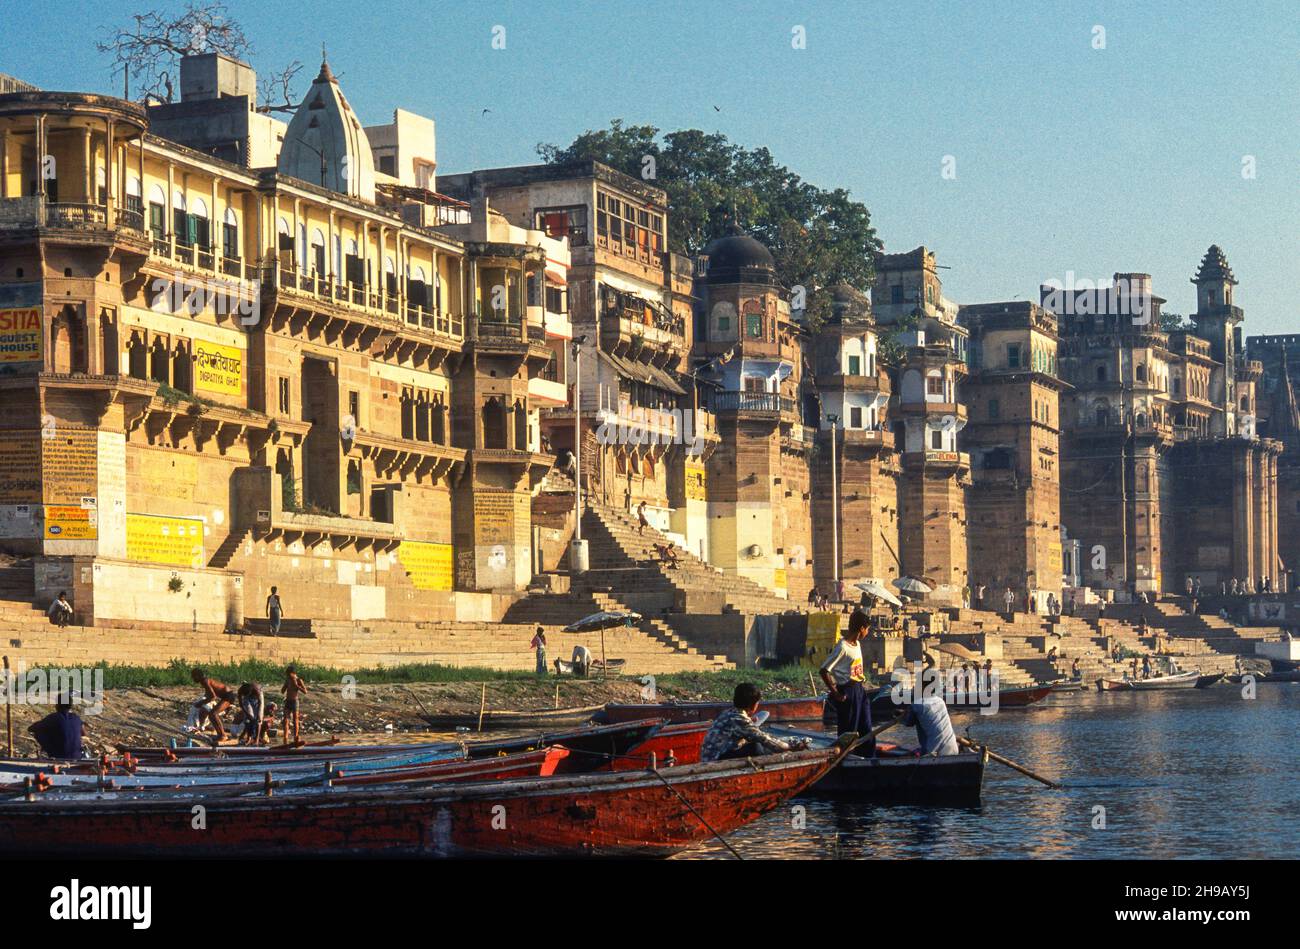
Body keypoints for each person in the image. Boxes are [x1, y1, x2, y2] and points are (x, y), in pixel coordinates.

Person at [700, 683, 808, 762]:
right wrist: (790, 747)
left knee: (756, 743)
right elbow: (763, 738)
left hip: (712, 756)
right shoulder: (738, 719)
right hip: (715, 761)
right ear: (753, 705)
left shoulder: (729, 713)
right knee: (756, 747)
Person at [819, 609, 873, 753]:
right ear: (861, 628)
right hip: (848, 692)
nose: (867, 632)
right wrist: (835, 693)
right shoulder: (842, 647)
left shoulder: (857, 644)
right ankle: (845, 756)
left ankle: (868, 756)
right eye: (867, 629)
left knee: (866, 728)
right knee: (848, 730)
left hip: (859, 691)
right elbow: (824, 670)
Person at [901, 674, 959, 756]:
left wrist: (902, 715)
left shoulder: (916, 705)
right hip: (954, 750)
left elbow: (908, 723)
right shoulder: (940, 701)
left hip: (933, 754)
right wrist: (907, 712)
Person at [28, 695, 85, 759]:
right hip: (77, 757)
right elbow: (83, 733)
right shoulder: (76, 718)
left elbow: (31, 728)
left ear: (58, 705)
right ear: (70, 706)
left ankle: (50, 754)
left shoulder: (54, 717)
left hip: (59, 756)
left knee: (39, 732)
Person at [191, 668, 238, 742]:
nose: (193, 678)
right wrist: (201, 702)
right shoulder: (205, 681)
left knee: (213, 714)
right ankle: (219, 734)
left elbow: (213, 697)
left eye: (193, 676)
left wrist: (201, 703)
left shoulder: (205, 681)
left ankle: (222, 735)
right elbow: (208, 694)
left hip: (228, 696)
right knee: (211, 714)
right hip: (226, 696)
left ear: (197, 676)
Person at [281, 664, 309, 745]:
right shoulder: (288, 680)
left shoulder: (299, 680)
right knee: (286, 720)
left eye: (288, 674)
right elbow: (282, 691)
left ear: (293, 673)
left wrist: (297, 686)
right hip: (288, 701)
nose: (288, 676)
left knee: (295, 720)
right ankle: (285, 739)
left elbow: (305, 691)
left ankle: (295, 737)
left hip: (294, 702)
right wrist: (285, 685)